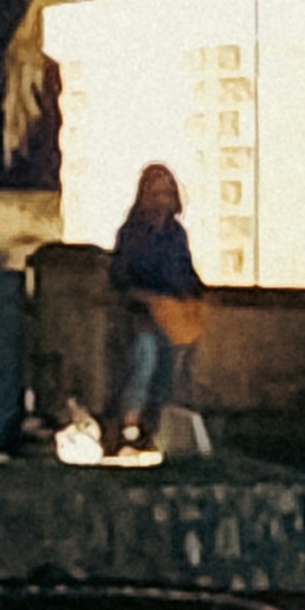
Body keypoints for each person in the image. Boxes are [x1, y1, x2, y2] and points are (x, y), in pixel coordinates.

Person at [98, 165, 205, 448]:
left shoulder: (176, 234)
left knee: (172, 369)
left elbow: (185, 271)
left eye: (166, 193)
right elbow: (121, 276)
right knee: (144, 358)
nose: (160, 200)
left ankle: (158, 427)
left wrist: (194, 296)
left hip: (174, 313)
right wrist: (143, 298)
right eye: (154, 193)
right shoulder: (132, 233)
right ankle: (130, 426)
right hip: (141, 312)